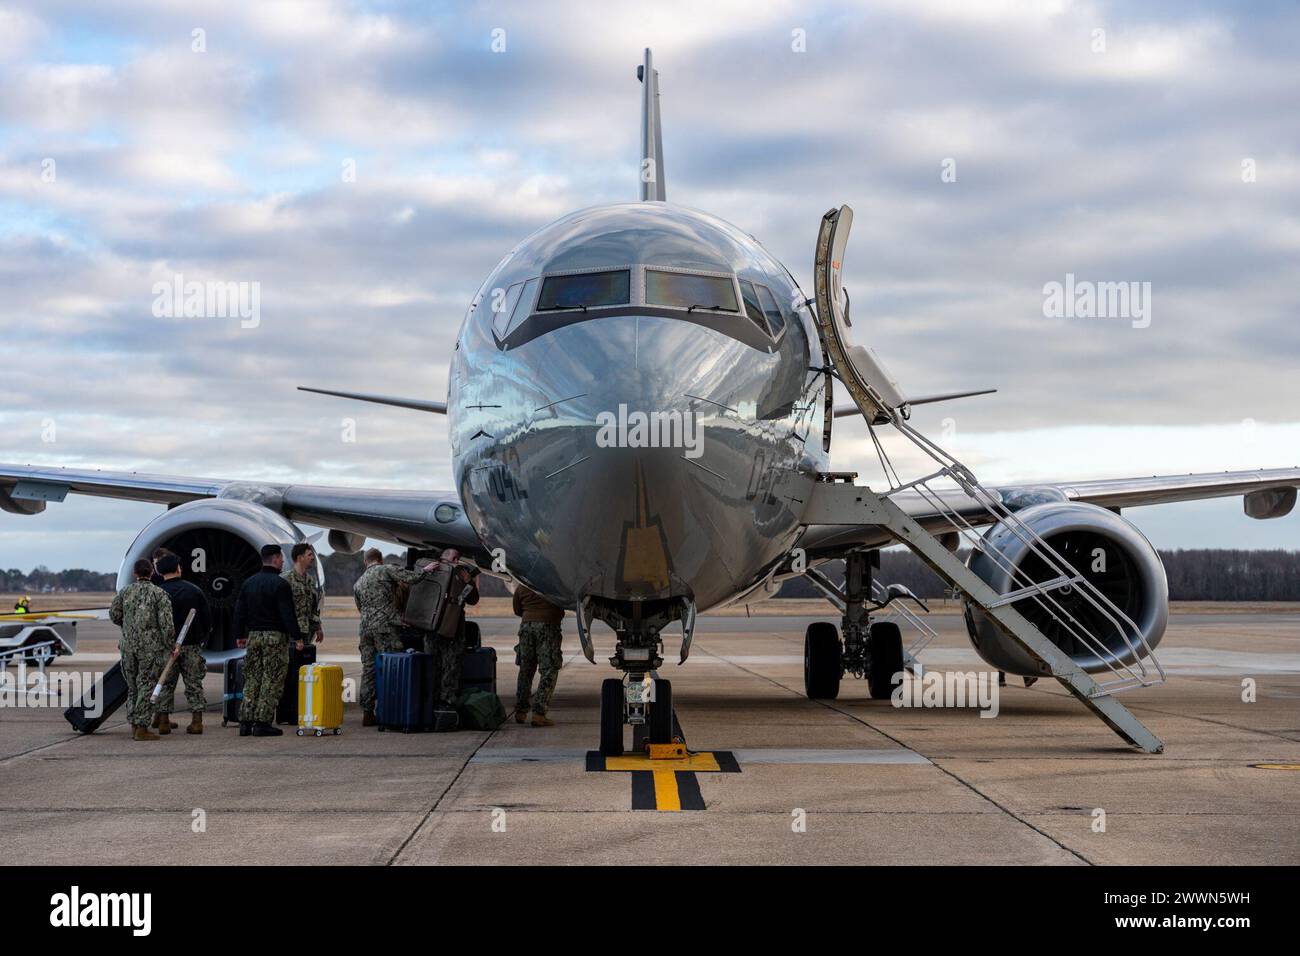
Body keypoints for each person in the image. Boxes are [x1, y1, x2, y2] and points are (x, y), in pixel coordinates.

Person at [231, 544, 303, 737]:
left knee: (252, 678)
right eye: (280, 558)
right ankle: (262, 722)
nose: (282, 562)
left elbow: (239, 612)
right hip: (274, 637)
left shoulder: (249, 583)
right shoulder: (280, 585)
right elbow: (287, 614)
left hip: (253, 637)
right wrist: (297, 636)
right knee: (272, 679)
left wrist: (239, 635)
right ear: (275, 559)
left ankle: (245, 721)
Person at [353, 548, 421, 727]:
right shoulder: (385, 570)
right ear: (380, 559)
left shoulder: (358, 582)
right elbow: (411, 578)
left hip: (365, 630)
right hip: (385, 629)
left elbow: (361, 608)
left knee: (368, 670)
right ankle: (391, 709)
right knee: (392, 667)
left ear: (365, 562)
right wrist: (426, 569)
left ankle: (368, 712)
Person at [109, 559, 175, 741]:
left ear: (135, 573)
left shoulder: (125, 592)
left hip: (128, 645)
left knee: (132, 686)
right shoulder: (159, 594)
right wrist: (170, 645)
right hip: (150, 648)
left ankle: (133, 724)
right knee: (146, 685)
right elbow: (166, 625)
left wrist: (129, 626)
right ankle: (142, 726)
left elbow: (114, 615)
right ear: (152, 572)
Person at [154, 552, 213, 735]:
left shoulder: (158, 593)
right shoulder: (194, 590)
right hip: (191, 644)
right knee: (194, 683)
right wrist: (201, 638)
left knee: (165, 683)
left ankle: (163, 721)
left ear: (161, 572)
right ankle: (197, 721)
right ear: (178, 568)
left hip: (166, 647)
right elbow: (207, 620)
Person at [424, 548, 479, 711]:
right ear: (445, 557)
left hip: (450, 626)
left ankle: (445, 702)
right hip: (437, 626)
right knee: (440, 665)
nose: (457, 562)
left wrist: (469, 581)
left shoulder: (460, 574)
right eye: (455, 558)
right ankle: (438, 701)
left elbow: (473, 599)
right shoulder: (431, 569)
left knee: (450, 665)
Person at [512, 585, 565, 727]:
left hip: (526, 627)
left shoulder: (522, 585)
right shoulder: (551, 582)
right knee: (549, 670)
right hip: (548, 626)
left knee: (526, 670)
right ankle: (539, 713)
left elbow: (517, 609)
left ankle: (521, 711)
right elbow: (564, 602)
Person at [282, 543, 324, 652]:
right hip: (289, 635)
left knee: (303, 666)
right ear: (300, 558)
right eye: (309, 555)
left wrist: (318, 628)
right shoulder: (285, 579)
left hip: (307, 633)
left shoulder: (310, 580)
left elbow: (313, 607)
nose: (312, 558)